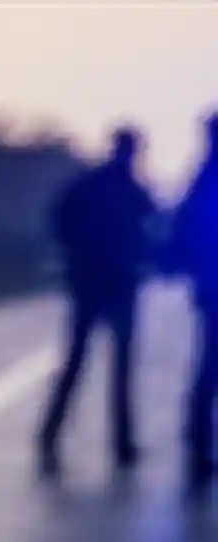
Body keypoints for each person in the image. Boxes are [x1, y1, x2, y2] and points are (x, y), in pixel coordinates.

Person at [38, 126, 157, 477]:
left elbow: (58, 220)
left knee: (79, 365)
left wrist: (74, 255)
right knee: (115, 369)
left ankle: (52, 435)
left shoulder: (89, 185)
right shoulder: (130, 190)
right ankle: (120, 443)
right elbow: (151, 228)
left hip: (93, 284)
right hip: (114, 286)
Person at [166, 114, 218, 491]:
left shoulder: (202, 176)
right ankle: (197, 445)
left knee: (208, 369)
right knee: (209, 369)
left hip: (208, 287)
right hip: (212, 287)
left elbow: (183, 231)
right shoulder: (205, 178)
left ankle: (196, 444)